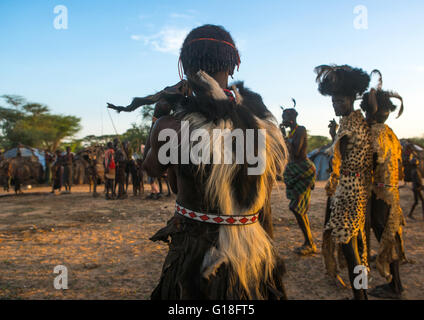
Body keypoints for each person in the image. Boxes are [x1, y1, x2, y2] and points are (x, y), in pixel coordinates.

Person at [141, 24, 288, 299]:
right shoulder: (264, 127)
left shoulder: (171, 126)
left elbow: (151, 167)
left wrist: (160, 112)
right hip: (251, 250)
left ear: (185, 69)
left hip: (194, 253)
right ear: (232, 68)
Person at [315, 64, 372, 300]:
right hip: (357, 191)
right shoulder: (356, 122)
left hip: (347, 193)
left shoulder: (349, 124)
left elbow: (337, 157)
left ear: (350, 98)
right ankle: (362, 293)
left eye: (339, 101)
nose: (335, 105)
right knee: (357, 246)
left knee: (350, 249)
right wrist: (333, 138)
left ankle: (360, 296)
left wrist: (333, 146)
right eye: (333, 101)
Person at [360, 70, 407, 299]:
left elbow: (372, 161)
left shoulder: (374, 133)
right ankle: (394, 285)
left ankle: (394, 287)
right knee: (389, 238)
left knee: (384, 240)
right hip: (389, 193)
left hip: (378, 195)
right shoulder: (390, 132)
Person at [281, 99, 317, 255]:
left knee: (296, 208)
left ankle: (310, 243)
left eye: (284, 117)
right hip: (295, 170)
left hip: (303, 170)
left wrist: (285, 137)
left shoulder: (300, 130)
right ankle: (309, 242)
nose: (282, 121)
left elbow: (295, 152)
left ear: (291, 118)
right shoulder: (292, 133)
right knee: (298, 208)